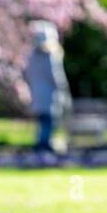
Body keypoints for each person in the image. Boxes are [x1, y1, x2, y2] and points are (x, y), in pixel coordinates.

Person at [26, 21, 71, 152]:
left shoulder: (32, 56)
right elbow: (56, 76)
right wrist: (62, 87)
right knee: (48, 121)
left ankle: (42, 143)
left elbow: (28, 74)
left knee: (43, 121)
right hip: (49, 95)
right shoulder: (50, 55)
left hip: (36, 94)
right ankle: (43, 145)